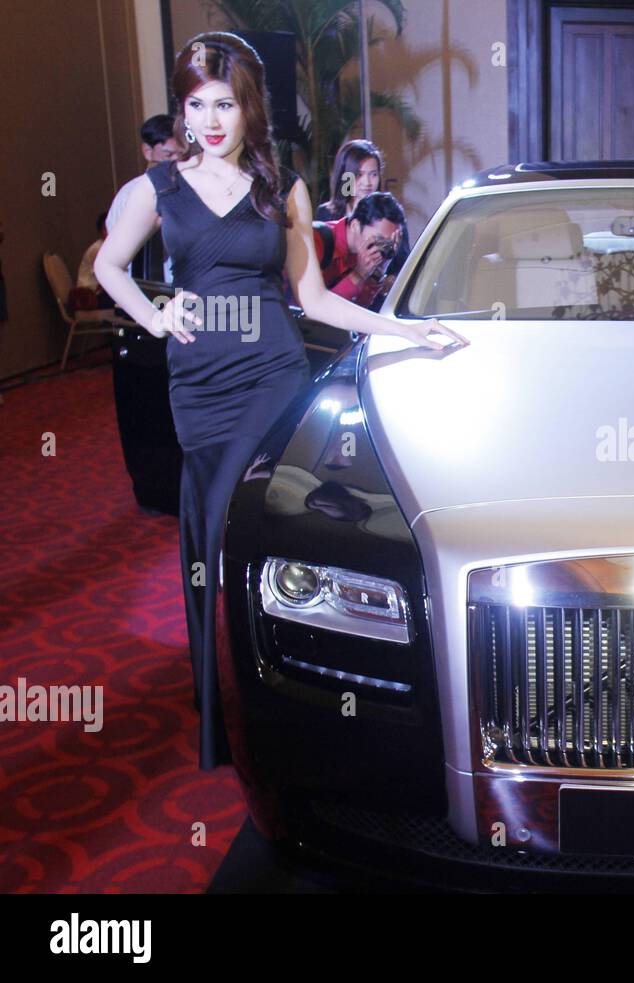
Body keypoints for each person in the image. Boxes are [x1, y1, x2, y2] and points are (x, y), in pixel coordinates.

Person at [95, 31, 451, 770]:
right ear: (183, 110)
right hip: (199, 388)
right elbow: (108, 264)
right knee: (207, 538)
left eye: (225, 102)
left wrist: (406, 330)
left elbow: (313, 297)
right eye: (196, 104)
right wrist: (156, 315)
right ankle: (224, 710)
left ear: (247, 105)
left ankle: (289, 704)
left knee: (261, 536)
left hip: (272, 378)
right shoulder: (157, 189)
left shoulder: (278, 188)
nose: (210, 119)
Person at [317, 138, 412, 278]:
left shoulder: (389, 214)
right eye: (359, 175)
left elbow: (404, 265)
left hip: (380, 295)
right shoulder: (326, 214)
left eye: (373, 174)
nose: (367, 183)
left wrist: (390, 277)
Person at [107, 114, 185, 283]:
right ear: (148, 152)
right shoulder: (129, 195)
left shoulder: (188, 189)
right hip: (144, 290)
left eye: (181, 155)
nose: (176, 162)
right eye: (168, 154)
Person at [313, 191, 406, 309]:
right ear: (355, 226)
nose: (382, 248)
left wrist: (380, 268)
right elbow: (318, 309)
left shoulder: (363, 253)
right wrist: (358, 274)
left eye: (388, 243)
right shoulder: (316, 240)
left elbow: (358, 309)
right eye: (379, 239)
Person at [73, 213, 112, 309]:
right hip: (88, 298)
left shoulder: (109, 247)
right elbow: (107, 279)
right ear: (102, 231)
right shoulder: (98, 249)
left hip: (98, 293)